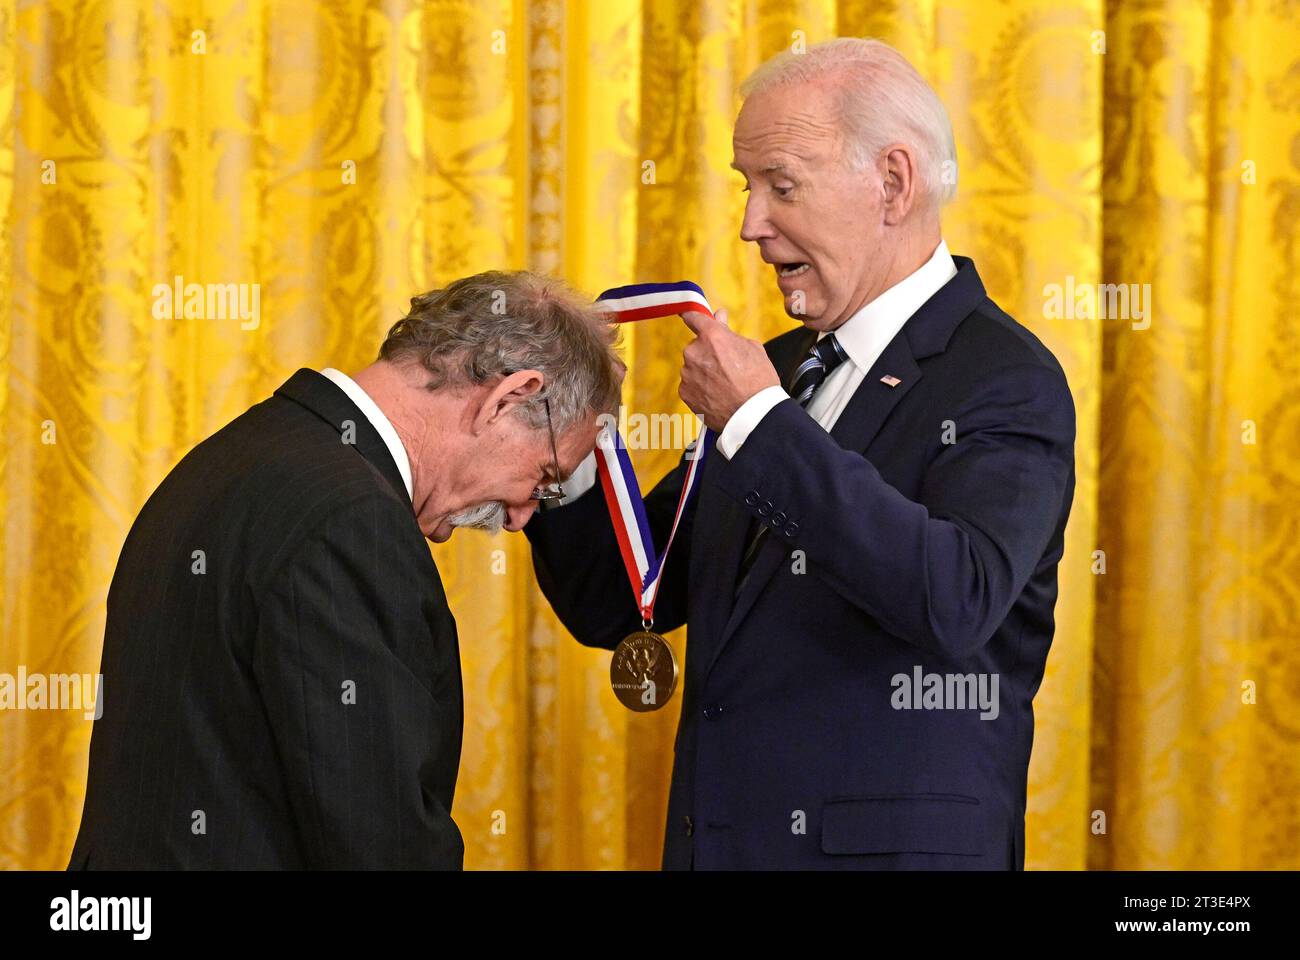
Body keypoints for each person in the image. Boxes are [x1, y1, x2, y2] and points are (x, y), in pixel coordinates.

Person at [526, 38, 1077, 869]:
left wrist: (756, 419)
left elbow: (955, 598)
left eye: (781, 186)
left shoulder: (1005, 378)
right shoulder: (779, 373)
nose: (751, 225)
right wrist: (567, 454)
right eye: (749, 189)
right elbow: (622, 601)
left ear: (893, 183)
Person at [69, 270, 619, 869]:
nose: (519, 518)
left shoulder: (236, 454)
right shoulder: (355, 522)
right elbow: (379, 845)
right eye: (544, 477)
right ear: (509, 398)